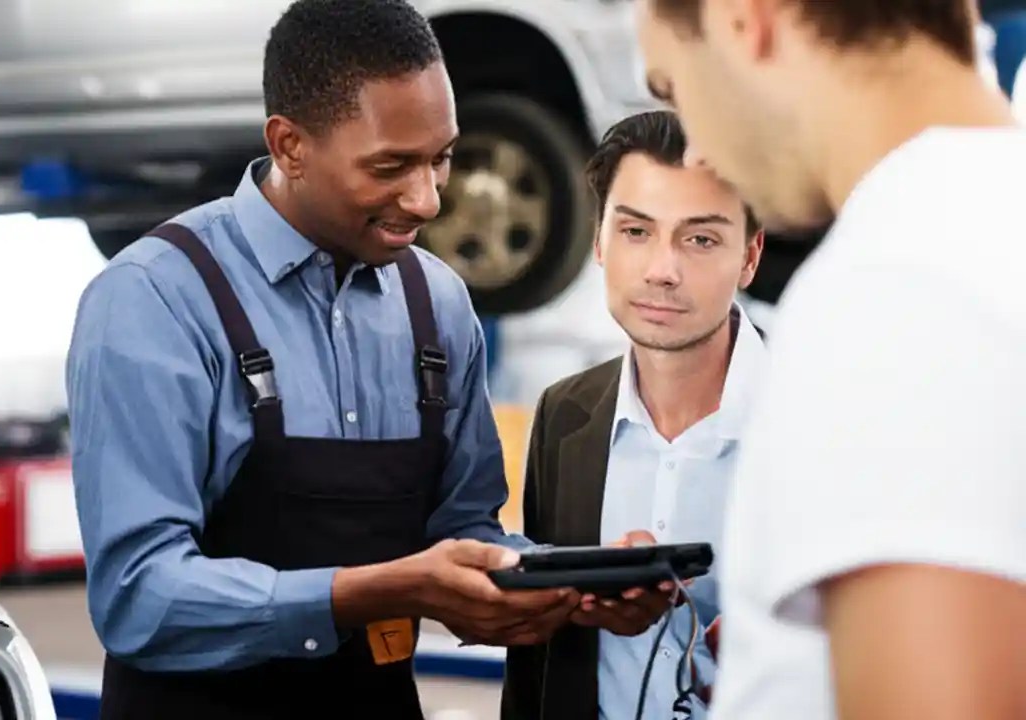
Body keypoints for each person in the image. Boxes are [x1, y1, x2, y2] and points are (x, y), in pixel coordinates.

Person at [64, 1, 581, 718]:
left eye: (441, 158)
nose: (427, 198)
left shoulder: (439, 305)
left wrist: (569, 586)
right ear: (289, 146)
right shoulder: (156, 300)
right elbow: (138, 596)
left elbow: (465, 534)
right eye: (391, 166)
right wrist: (374, 592)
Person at [635, 1, 1026, 719]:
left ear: (745, 20)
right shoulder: (992, 221)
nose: (693, 152)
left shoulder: (899, 284)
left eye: (674, 87)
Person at [500, 110, 766, 720]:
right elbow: (537, 666)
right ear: (598, 240)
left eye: (700, 239)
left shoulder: (813, 423)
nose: (661, 270)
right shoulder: (565, 413)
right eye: (636, 231)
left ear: (749, 256)